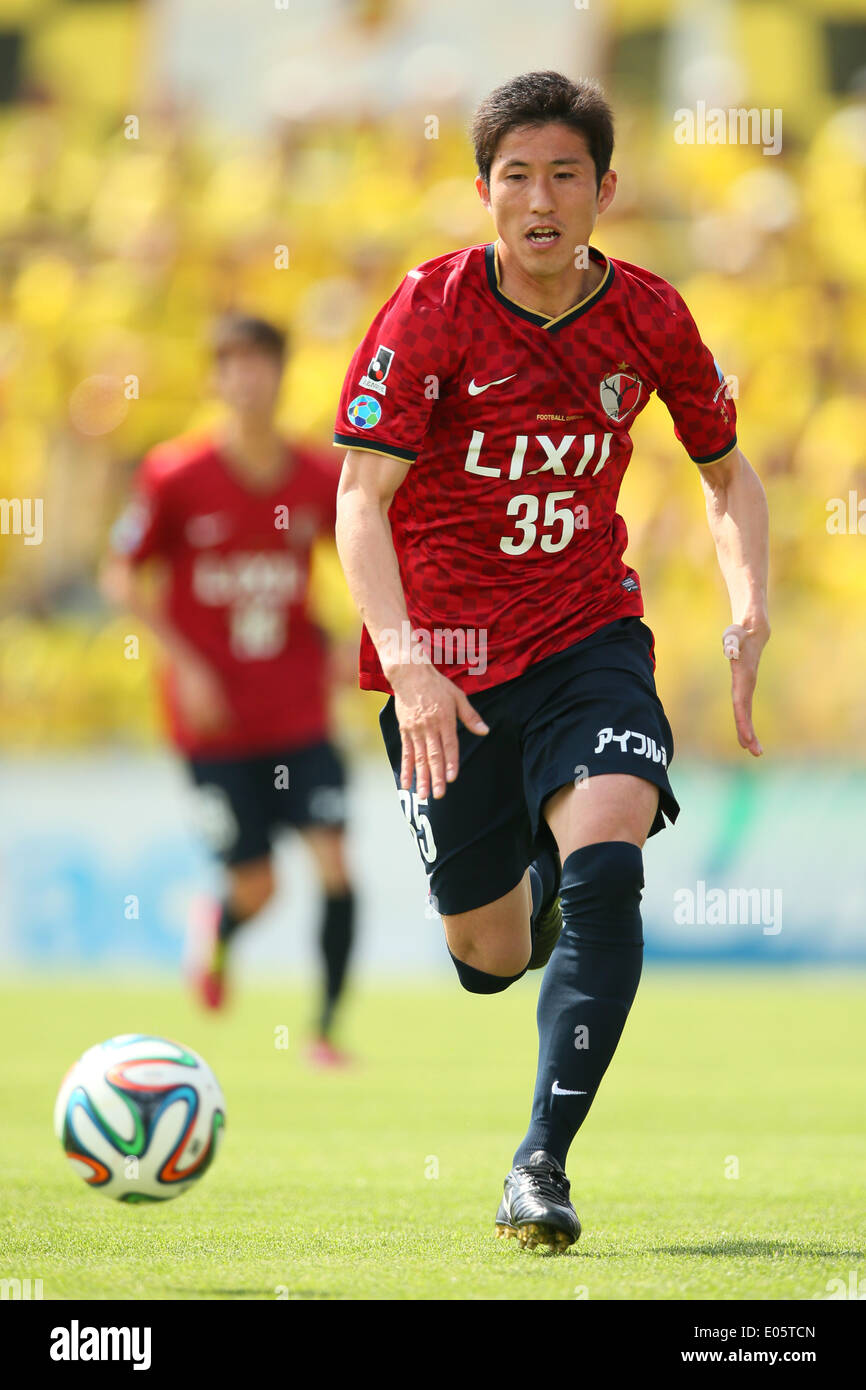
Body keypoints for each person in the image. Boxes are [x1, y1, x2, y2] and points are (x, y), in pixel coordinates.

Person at [333, 71, 769, 1246]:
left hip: (588, 634)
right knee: (488, 953)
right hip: (452, 670)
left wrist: (747, 605)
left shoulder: (651, 316)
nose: (539, 198)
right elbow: (358, 503)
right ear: (482, 191)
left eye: (563, 174)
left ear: (603, 189)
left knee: (612, 845)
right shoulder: (425, 312)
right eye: (515, 176)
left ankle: (541, 1161)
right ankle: (528, 874)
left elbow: (725, 472)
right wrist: (408, 660)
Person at [103, 313, 356, 1066]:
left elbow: (360, 549)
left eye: (260, 364)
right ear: (216, 380)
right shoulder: (175, 476)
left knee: (336, 862)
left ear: (282, 374)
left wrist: (357, 640)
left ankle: (324, 1035)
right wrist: (186, 662)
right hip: (213, 723)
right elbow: (121, 573)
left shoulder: (315, 476)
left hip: (299, 710)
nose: (246, 379)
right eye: (231, 366)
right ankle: (216, 923)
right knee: (259, 886)